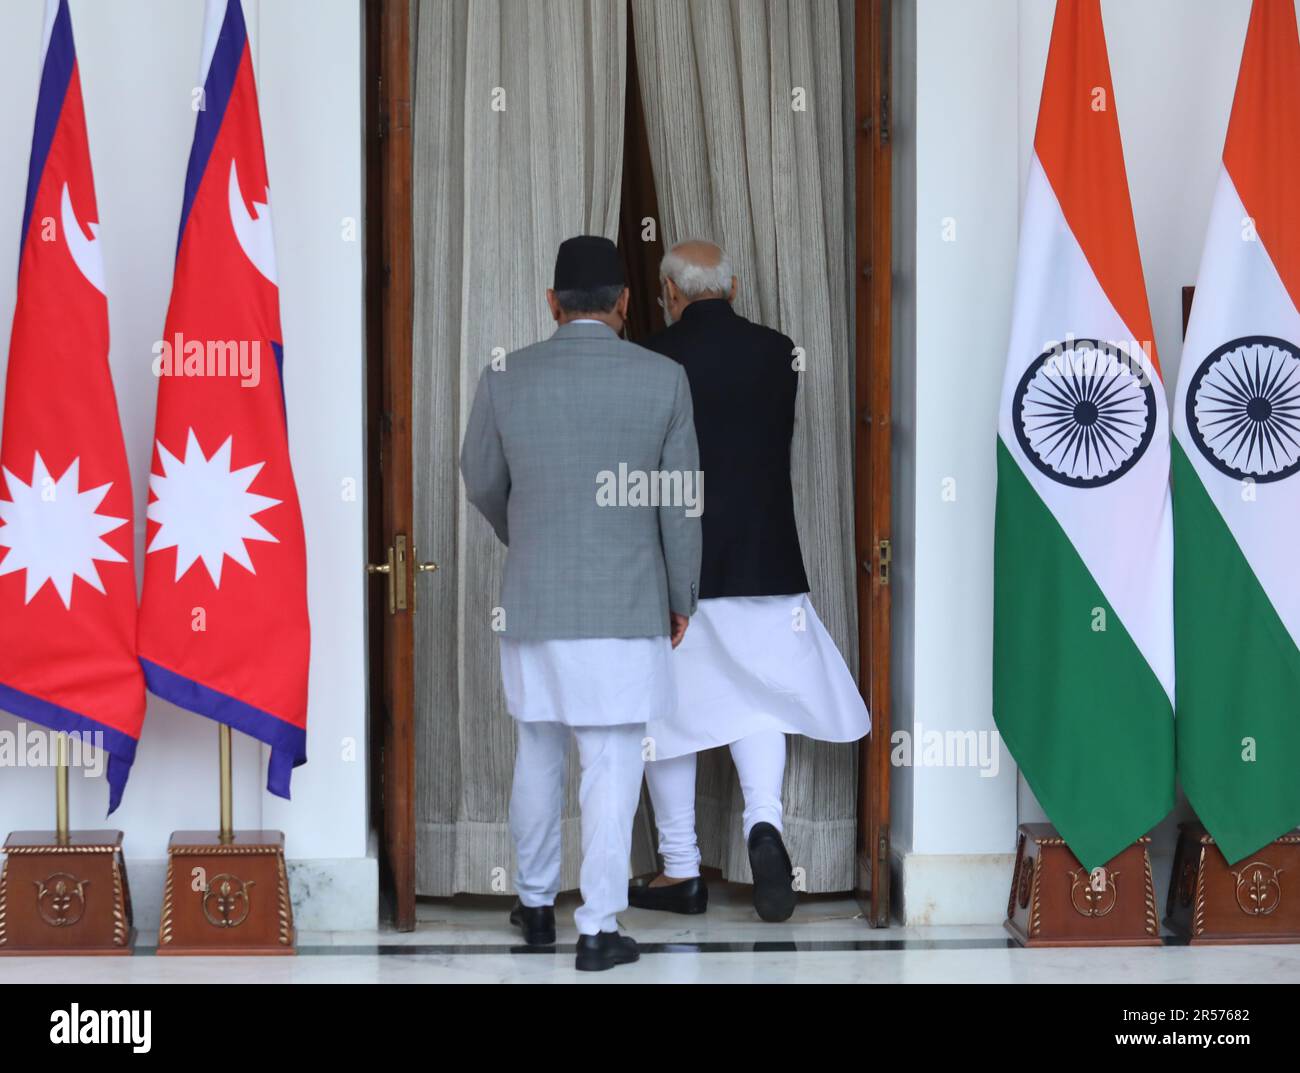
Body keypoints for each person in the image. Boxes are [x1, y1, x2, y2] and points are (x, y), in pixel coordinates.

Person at [460, 235, 702, 971]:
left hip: (536, 598)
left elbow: (479, 478)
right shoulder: (664, 378)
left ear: (552, 302)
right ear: (626, 304)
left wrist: (523, 533)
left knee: (537, 750)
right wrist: (681, 594)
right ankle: (598, 927)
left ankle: (535, 906)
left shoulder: (508, 377)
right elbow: (680, 504)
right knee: (611, 761)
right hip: (628, 606)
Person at [631, 239, 870, 923]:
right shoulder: (776, 351)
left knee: (667, 716)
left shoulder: (651, 356)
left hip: (681, 564)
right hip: (767, 558)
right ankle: (763, 825)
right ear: (732, 288)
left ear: (670, 294)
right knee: (759, 703)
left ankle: (680, 870)